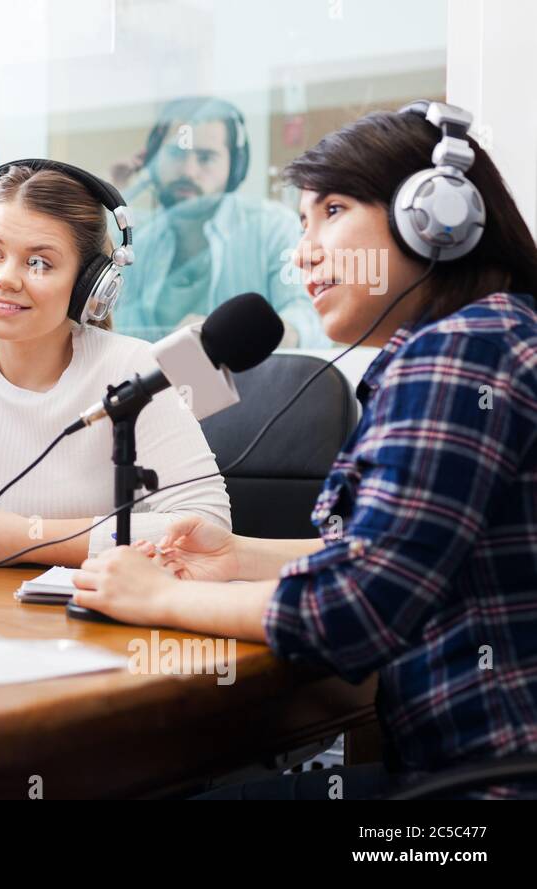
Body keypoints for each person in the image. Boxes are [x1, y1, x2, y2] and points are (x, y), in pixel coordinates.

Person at [73, 104, 537, 798]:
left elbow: (349, 613)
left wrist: (159, 598)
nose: (304, 252)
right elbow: (398, 559)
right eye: (300, 224)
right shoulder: (495, 332)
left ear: (433, 217)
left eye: (333, 211)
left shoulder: (458, 357)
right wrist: (241, 557)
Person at [0, 163, 230, 566]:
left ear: (91, 285)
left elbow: (207, 525)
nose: (5, 278)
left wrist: (21, 539)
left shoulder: (141, 364)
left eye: (39, 262)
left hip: (107, 612)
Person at [109, 96, 327, 347]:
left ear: (235, 166)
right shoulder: (138, 242)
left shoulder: (273, 228)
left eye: (205, 157)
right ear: (153, 162)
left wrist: (235, 338)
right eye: (176, 154)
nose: (188, 171)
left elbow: (308, 319)